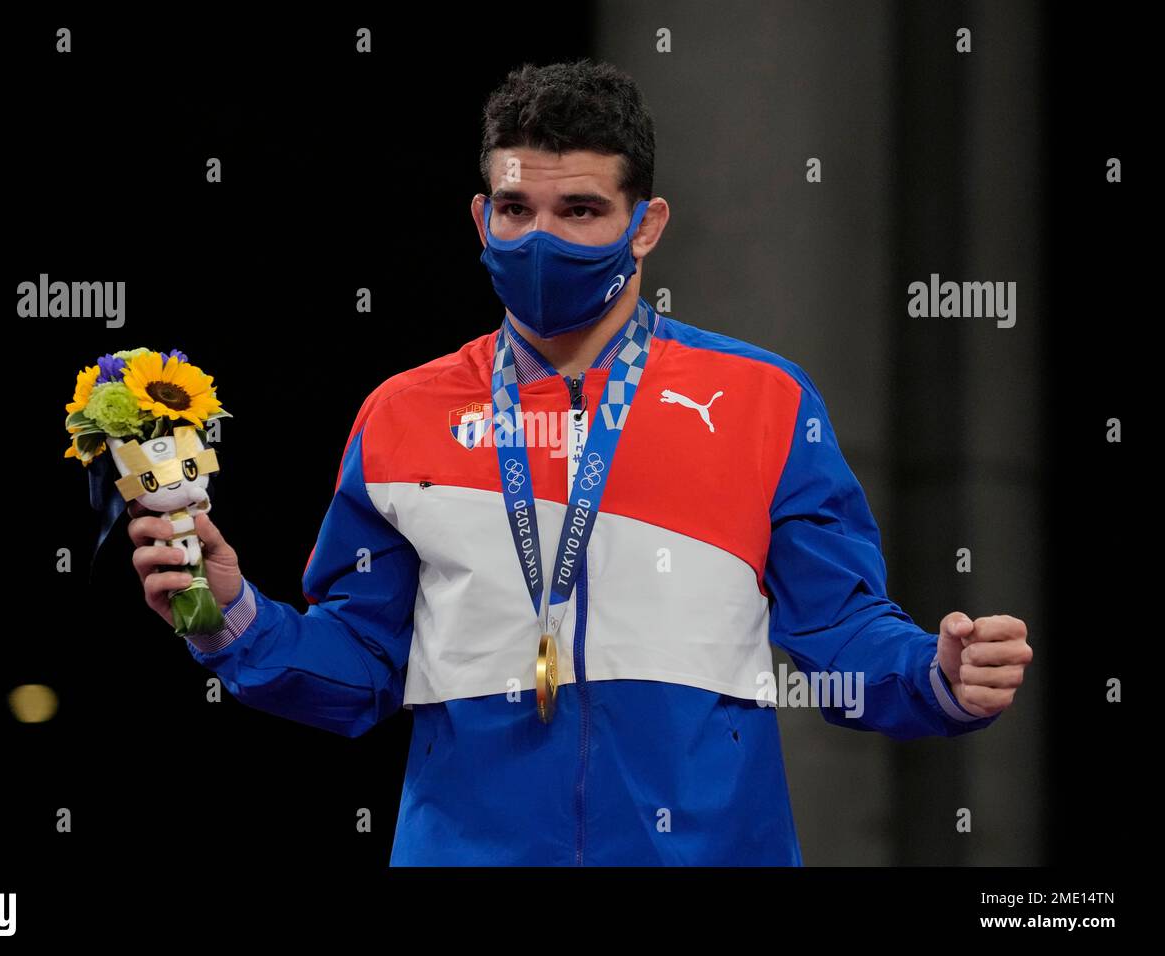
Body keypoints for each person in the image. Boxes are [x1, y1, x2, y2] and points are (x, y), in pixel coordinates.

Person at [127, 59, 1033, 865]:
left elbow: (836, 632)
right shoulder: (401, 415)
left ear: (647, 225)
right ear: (482, 216)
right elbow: (363, 665)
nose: (540, 240)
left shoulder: (764, 401)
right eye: (516, 210)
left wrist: (934, 677)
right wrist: (230, 618)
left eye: (581, 211)